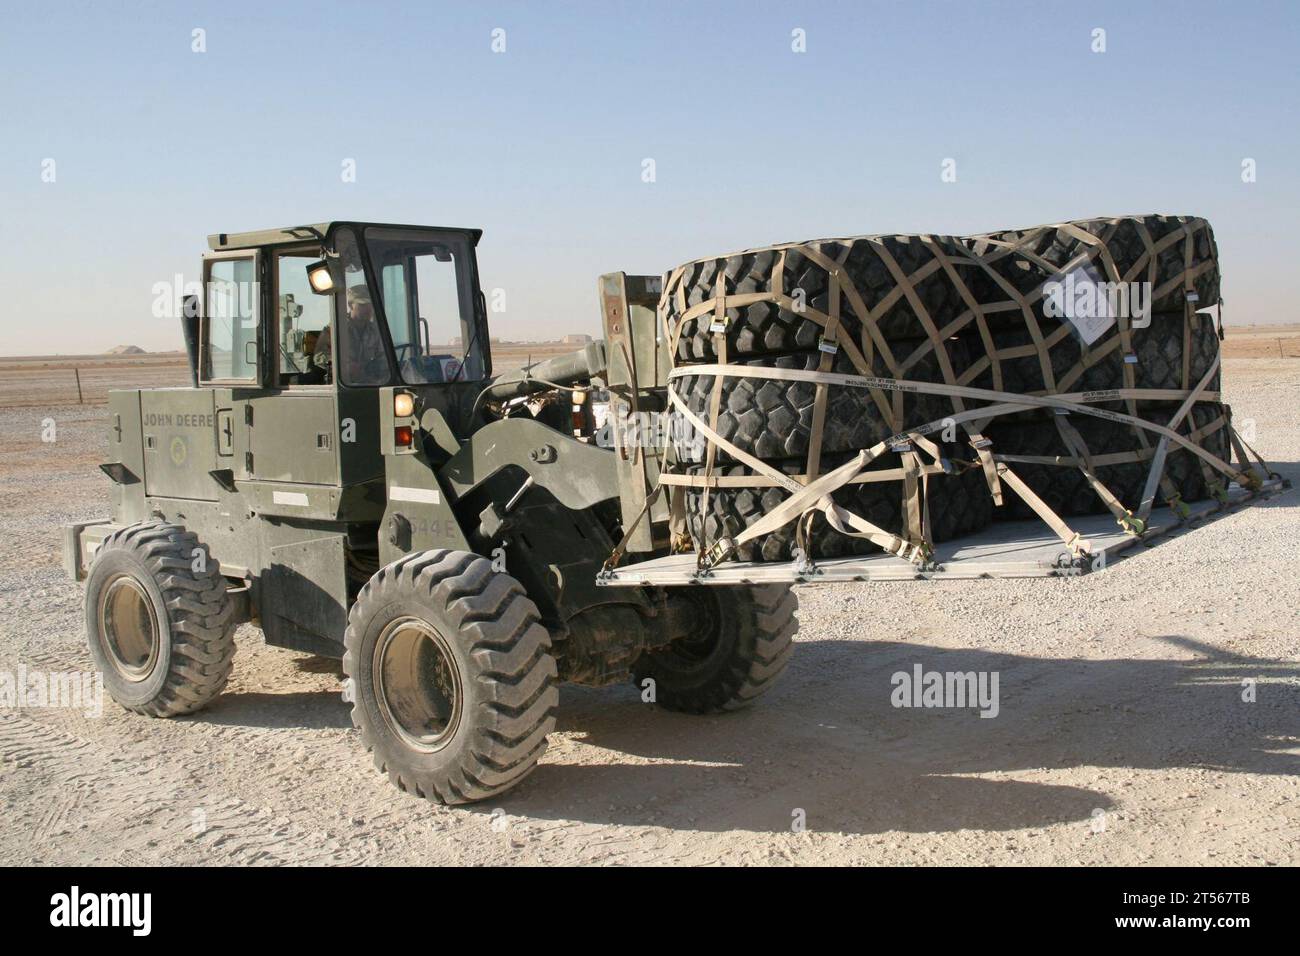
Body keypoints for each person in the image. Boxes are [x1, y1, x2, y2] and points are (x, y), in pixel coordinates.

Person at [313, 284, 388, 384]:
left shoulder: (374, 331)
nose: (368, 309)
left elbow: (382, 357)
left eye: (370, 304)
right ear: (350, 305)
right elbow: (319, 356)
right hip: (344, 385)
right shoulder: (336, 328)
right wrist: (344, 366)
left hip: (369, 382)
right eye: (362, 305)